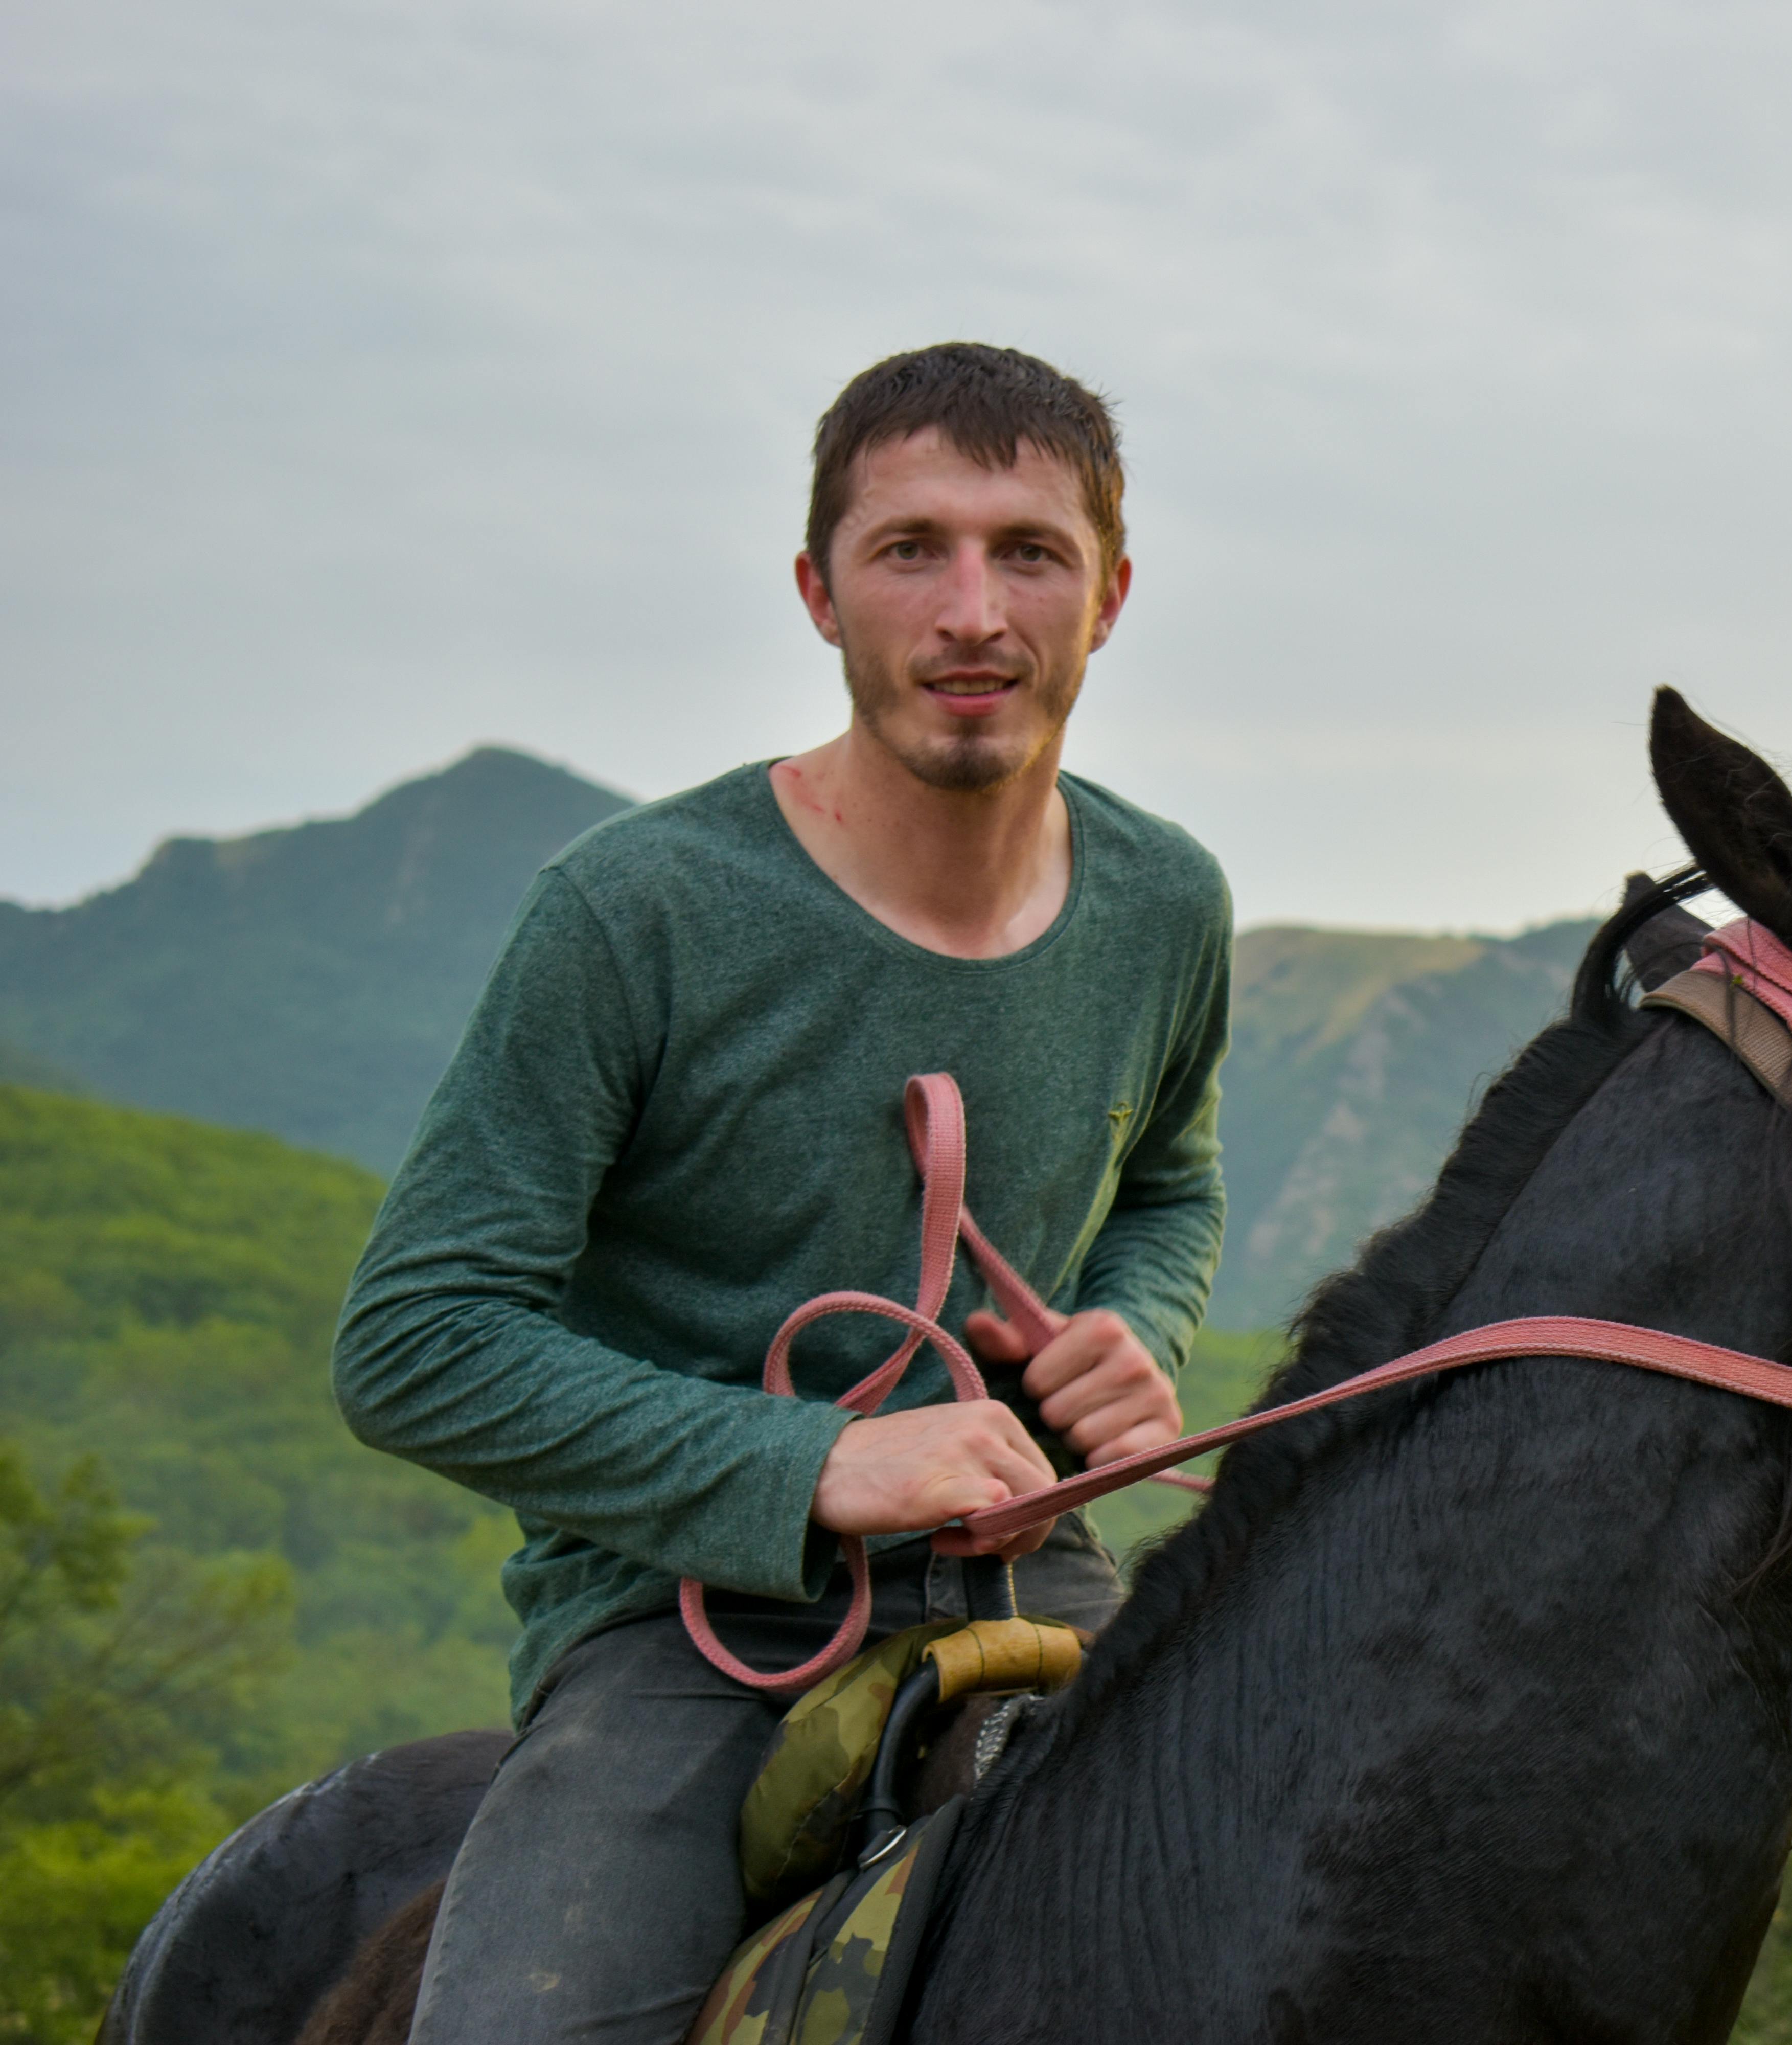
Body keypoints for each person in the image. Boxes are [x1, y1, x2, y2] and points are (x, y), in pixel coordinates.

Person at [334, 342, 1230, 2043]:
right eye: (913, 550)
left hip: (1030, 1571)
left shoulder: (1168, 902)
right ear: (820, 594)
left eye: (1028, 551)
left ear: (1109, 598)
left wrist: (1132, 1323)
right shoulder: (634, 911)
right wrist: (816, 1461)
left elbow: (1170, 1187)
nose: (974, 609)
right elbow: (415, 1340)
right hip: (680, 1627)